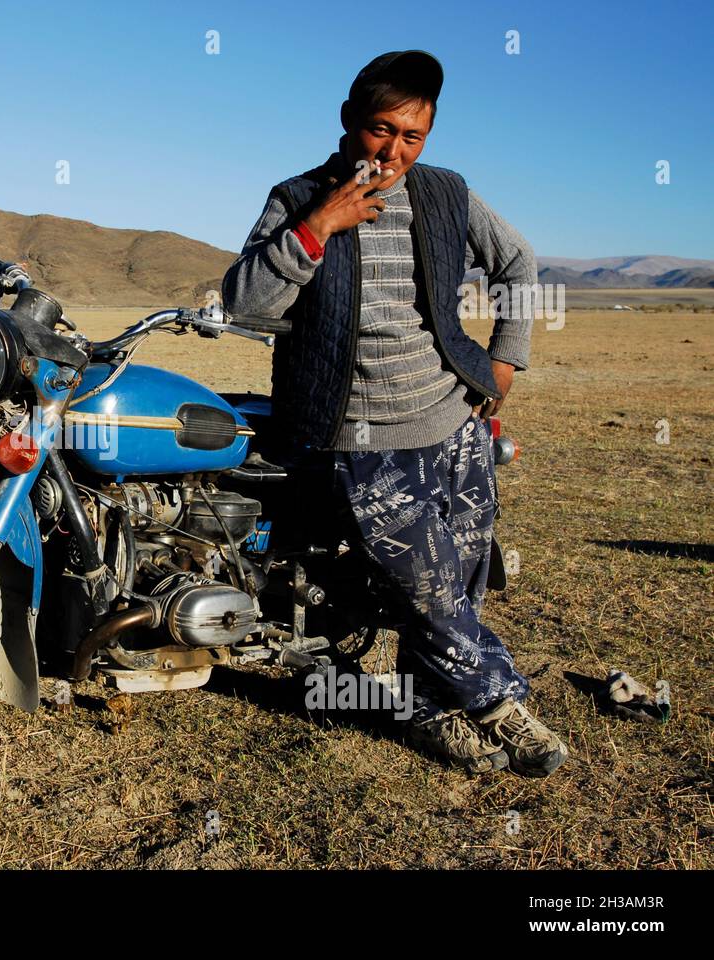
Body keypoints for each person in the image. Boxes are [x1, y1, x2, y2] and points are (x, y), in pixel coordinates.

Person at [221, 50, 567, 777]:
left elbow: (518, 262)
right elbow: (243, 303)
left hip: (452, 418)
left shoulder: (445, 193)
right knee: (430, 588)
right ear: (350, 121)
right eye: (383, 131)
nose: (396, 151)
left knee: (458, 582)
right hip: (360, 434)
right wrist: (319, 227)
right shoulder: (297, 196)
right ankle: (502, 705)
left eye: (414, 136)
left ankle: (430, 709)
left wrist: (506, 359)